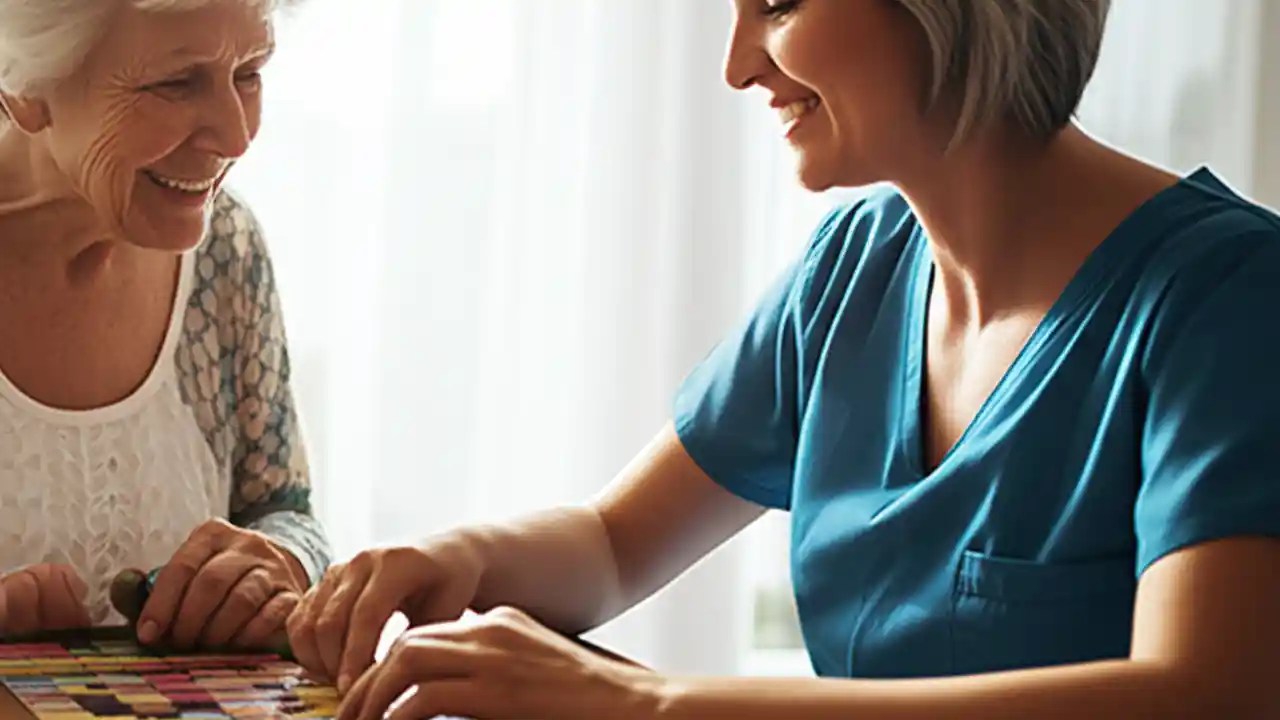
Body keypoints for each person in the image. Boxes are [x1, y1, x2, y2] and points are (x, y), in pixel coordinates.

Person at [289, 0, 1280, 717]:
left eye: (775, 5)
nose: (736, 65)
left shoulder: (1227, 295)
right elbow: (612, 542)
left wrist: (650, 705)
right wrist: (454, 560)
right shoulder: (853, 268)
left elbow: (1207, 692)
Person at [0, 0, 330, 651]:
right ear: (24, 89)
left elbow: (286, 513)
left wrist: (275, 565)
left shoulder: (226, 251)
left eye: (249, 74)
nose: (236, 138)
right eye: (176, 83)